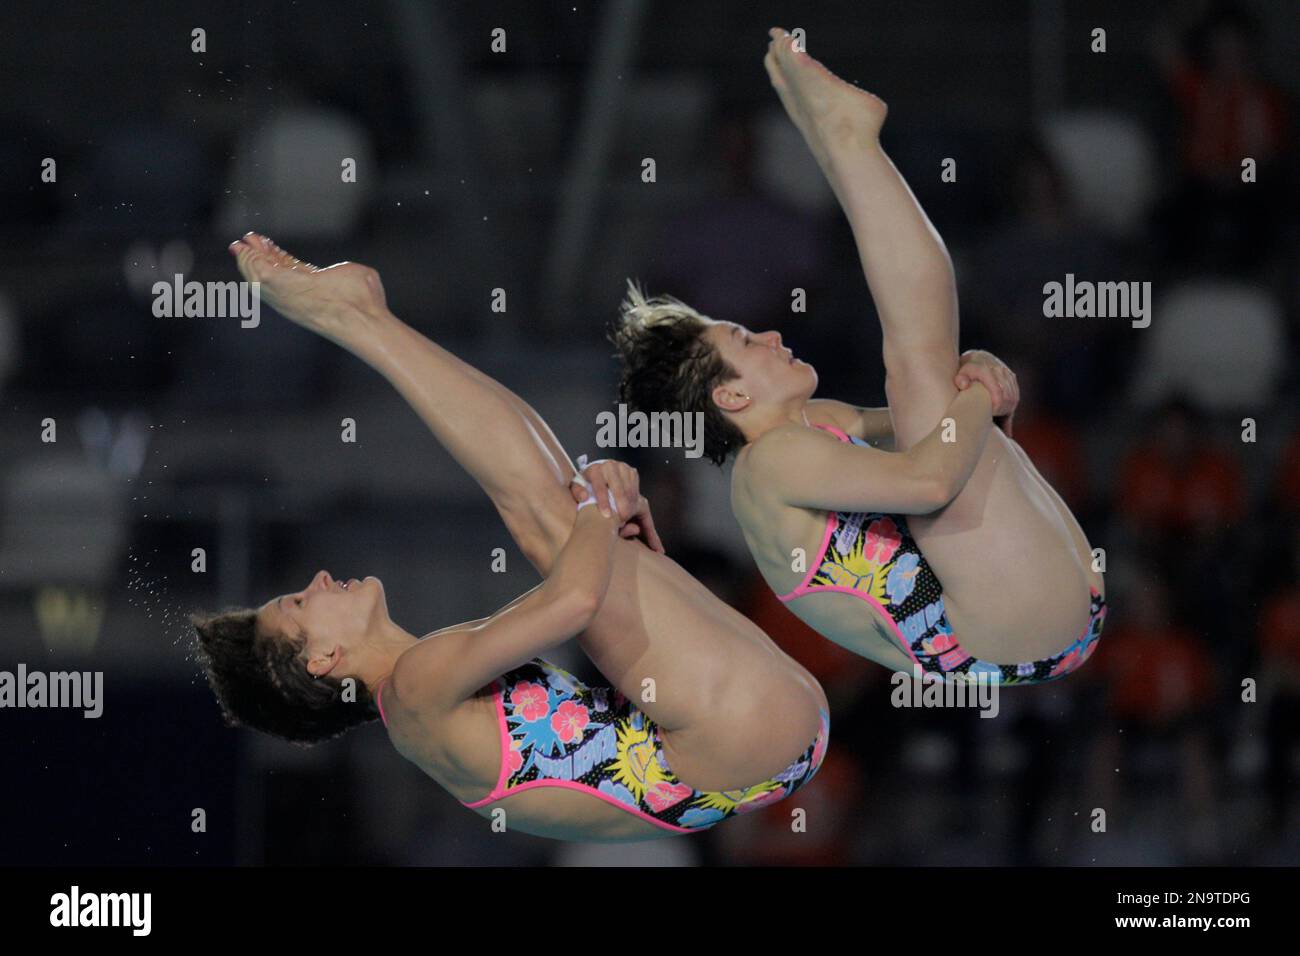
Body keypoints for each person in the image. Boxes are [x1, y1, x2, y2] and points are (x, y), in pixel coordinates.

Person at [193, 234, 828, 842]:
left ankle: (362, 318)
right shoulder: (413, 688)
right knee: (556, 521)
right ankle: (362, 319)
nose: (318, 580)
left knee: (552, 516)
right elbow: (572, 603)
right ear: (322, 661)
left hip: (757, 751)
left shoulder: (423, 697)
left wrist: (604, 524)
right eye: (301, 603)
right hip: (743, 739)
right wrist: (601, 512)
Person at [608, 30, 1105, 685]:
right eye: (747, 342)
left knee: (932, 392)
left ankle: (836, 141)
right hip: (1006, 624)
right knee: (924, 382)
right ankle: (845, 139)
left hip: (1031, 618)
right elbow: (931, 478)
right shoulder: (769, 464)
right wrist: (979, 393)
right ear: (729, 397)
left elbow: (946, 431)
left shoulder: (811, 427)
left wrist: (976, 382)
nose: (774, 337)